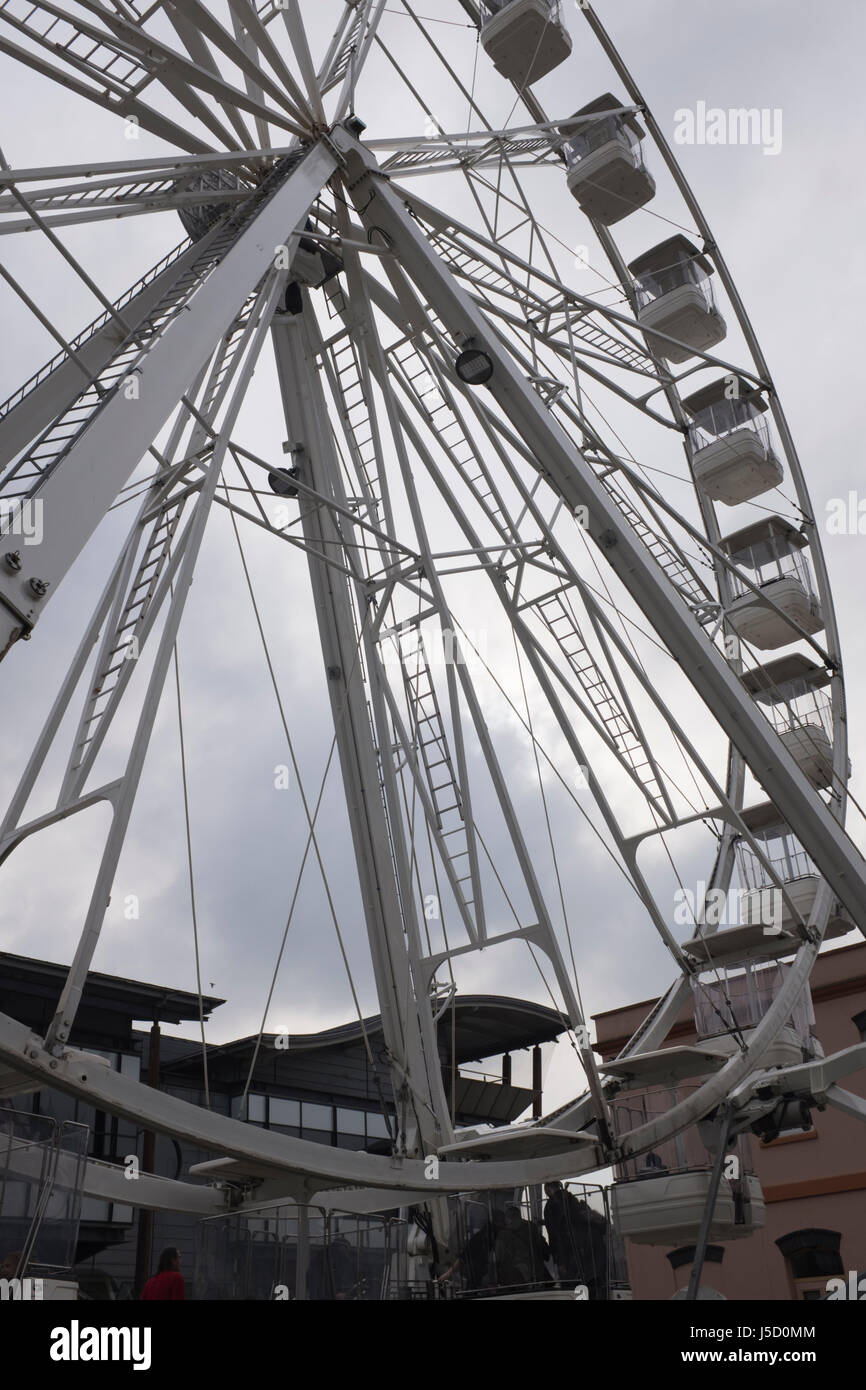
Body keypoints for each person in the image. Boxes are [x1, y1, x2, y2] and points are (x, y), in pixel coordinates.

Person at [543, 1182, 609, 1298]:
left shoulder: (552, 1206)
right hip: (592, 1260)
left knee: (575, 1290)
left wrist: (560, 1261)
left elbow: (556, 1235)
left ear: (548, 1189)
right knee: (596, 1289)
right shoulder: (574, 1202)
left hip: (573, 1260)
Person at [492, 1204, 551, 1290]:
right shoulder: (532, 1228)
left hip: (516, 1280)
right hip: (538, 1277)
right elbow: (544, 1249)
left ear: (508, 1219)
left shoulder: (503, 1235)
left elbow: (496, 1258)